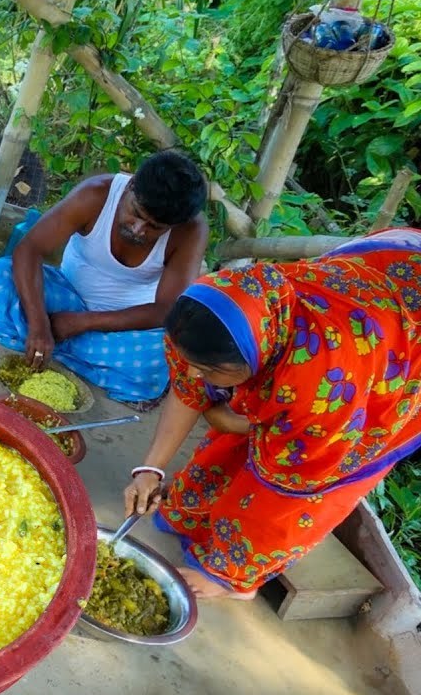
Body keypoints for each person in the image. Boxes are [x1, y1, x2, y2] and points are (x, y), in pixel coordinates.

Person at [123, 228, 421, 600]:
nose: (195, 374)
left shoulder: (322, 389)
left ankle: (234, 575)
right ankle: (196, 511)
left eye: (209, 369)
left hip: (395, 357)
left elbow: (285, 490)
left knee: (284, 487)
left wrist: (240, 421)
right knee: (236, 441)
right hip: (384, 277)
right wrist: (151, 469)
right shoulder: (220, 308)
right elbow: (190, 389)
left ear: (257, 356)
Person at [0, 150, 209, 405]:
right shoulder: (96, 194)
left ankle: (35, 339)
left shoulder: (191, 230)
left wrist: (82, 323)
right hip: (65, 299)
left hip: (126, 325)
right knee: (2, 272)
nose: (138, 229)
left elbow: (167, 310)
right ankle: (61, 345)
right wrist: (40, 322)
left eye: (155, 227)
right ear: (131, 186)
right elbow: (29, 249)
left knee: (165, 352)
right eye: (137, 213)